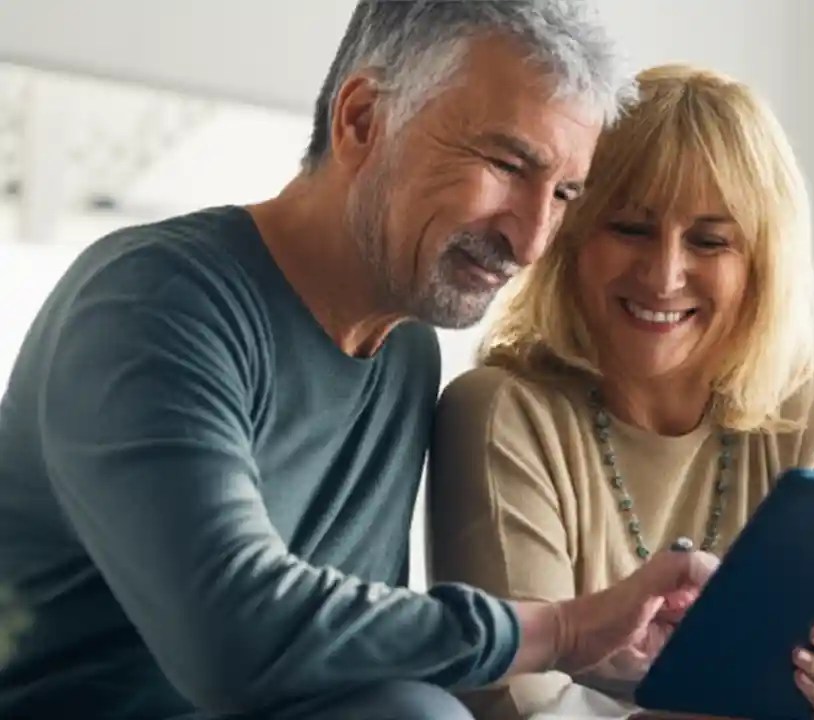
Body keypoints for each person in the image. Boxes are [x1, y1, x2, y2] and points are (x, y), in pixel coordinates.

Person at [0, 3, 721, 719]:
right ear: (362, 120)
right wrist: (561, 630)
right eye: (506, 164)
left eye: (563, 193)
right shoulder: (153, 302)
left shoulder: (404, 349)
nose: (532, 241)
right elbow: (238, 640)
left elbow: (346, 653)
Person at [429, 64, 814, 720]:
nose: (663, 273)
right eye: (629, 228)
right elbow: (516, 706)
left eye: (709, 241)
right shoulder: (500, 411)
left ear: (762, 263)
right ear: (572, 236)